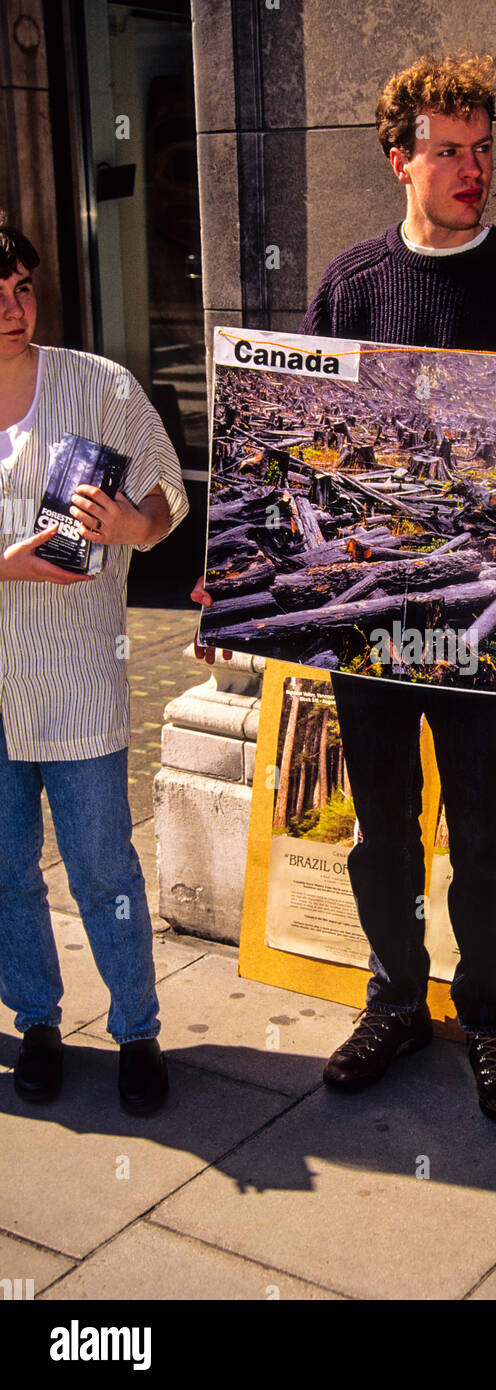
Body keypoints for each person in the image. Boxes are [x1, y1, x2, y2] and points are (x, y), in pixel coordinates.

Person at [294, 53, 496, 1121]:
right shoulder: (348, 286)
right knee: (382, 828)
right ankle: (394, 998)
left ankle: (489, 1019)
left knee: (478, 834)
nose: (473, 169)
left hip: (488, 626)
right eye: (449, 151)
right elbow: (286, 450)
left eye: (482, 150)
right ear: (400, 162)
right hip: (380, 619)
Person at [0, 220, 188, 1115]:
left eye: (22, 289)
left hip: (76, 673)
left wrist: (133, 529)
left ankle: (138, 1029)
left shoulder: (97, 384)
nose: (12, 310)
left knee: (103, 867)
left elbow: (162, 491)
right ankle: (36, 1020)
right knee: (4, 868)